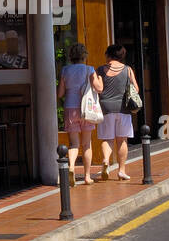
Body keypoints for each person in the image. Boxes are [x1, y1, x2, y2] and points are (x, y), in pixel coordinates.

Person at [57, 42, 102, 185]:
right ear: (84, 56)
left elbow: (60, 94)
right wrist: (99, 79)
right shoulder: (89, 70)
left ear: (71, 56)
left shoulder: (65, 70)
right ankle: (87, 176)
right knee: (87, 144)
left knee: (74, 144)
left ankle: (71, 167)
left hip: (70, 107)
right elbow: (99, 88)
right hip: (87, 109)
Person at [96, 43, 139, 181]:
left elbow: (99, 89)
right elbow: (136, 90)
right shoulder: (128, 70)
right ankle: (121, 170)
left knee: (107, 139)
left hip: (106, 108)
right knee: (122, 140)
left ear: (108, 54)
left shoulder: (101, 70)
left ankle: (105, 161)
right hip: (123, 109)